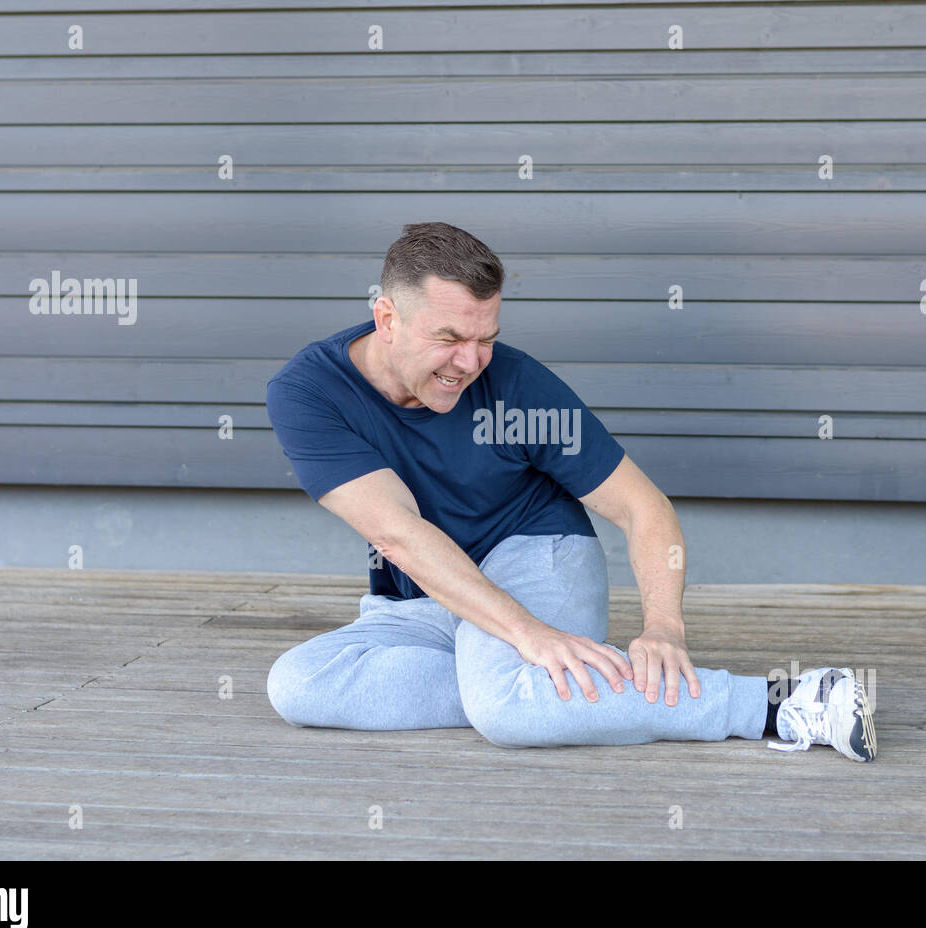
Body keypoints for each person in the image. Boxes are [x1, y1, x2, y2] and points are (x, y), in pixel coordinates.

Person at [264, 222, 875, 761]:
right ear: (387, 318)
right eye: (449, 336)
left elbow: (643, 507)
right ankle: (521, 680)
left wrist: (664, 626)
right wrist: (525, 635)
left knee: (508, 711)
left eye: (486, 337)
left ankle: (787, 700)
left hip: (536, 556)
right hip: (430, 591)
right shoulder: (310, 391)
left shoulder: (518, 384)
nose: (470, 361)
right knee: (300, 683)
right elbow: (397, 532)